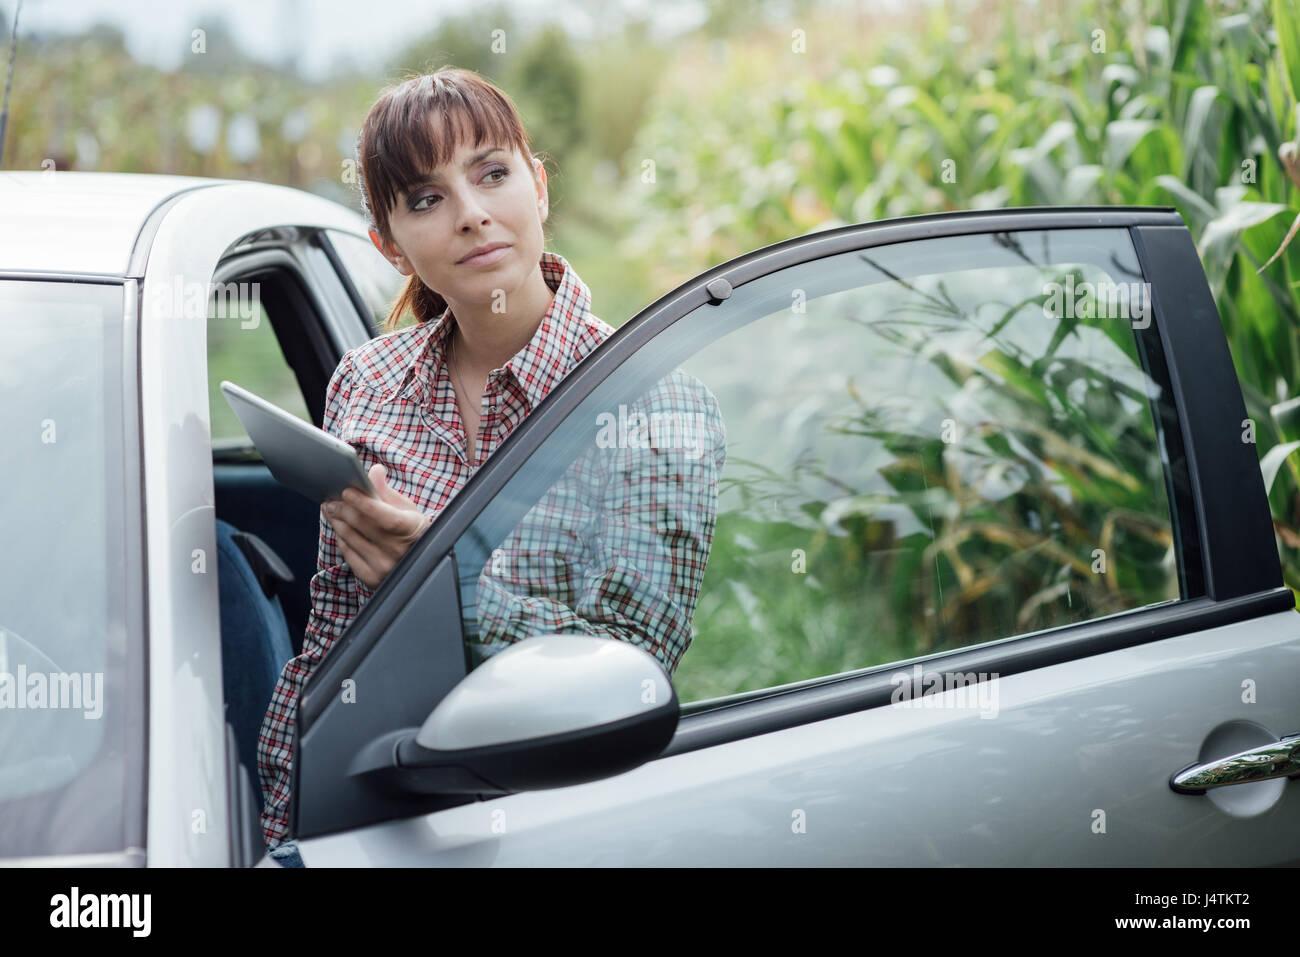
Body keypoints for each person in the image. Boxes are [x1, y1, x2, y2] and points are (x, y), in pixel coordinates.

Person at [257, 67, 726, 863]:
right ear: (390, 243)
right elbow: (330, 649)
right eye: (426, 199)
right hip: (366, 814)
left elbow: (631, 664)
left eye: (492, 174)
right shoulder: (365, 386)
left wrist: (441, 582)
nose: (471, 216)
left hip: (553, 825)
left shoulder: (655, 404)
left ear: (538, 186)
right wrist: (286, 825)